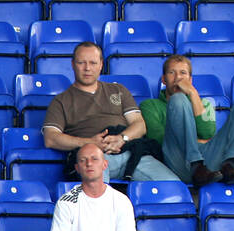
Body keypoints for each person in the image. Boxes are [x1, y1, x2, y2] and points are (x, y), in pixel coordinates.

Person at [42, 41, 174, 182]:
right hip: (93, 156)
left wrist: (122, 138)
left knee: (173, 188)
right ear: (73, 64)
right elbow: (50, 138)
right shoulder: (61, 100)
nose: (87, 68)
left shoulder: (118, 90)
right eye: (82, 63)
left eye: (93, 63)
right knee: (97, 192)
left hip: (131, 152)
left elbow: (139, 125)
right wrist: (89, 142)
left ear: (101, 65)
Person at [138, 53, 234, 187]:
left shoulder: (203, 103)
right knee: (178, 99)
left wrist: (193, 93)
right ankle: (196, 165)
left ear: (190, 80)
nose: (178, 78)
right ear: (164, 79)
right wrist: (196, 140)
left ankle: (229, 165)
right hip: (178, 162)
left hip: (208, 164)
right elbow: (157, 140)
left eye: (183, 73)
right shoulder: (149, 105)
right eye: (172, 73)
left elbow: (208, 133)